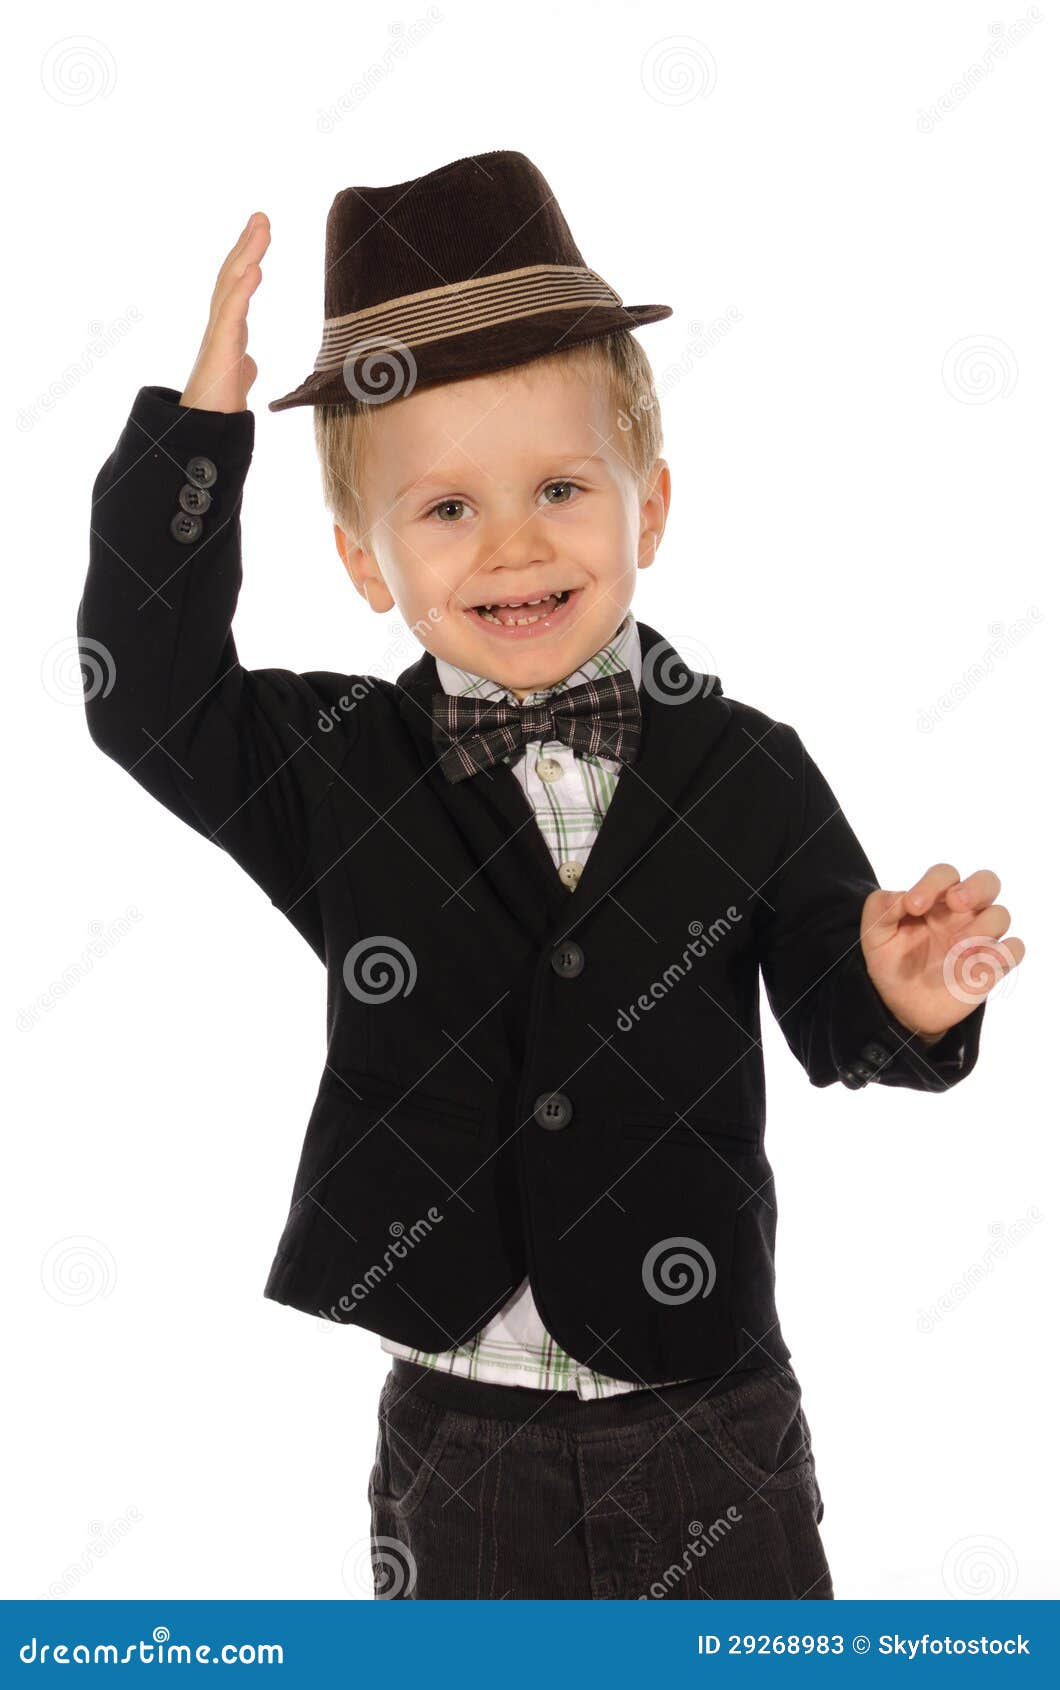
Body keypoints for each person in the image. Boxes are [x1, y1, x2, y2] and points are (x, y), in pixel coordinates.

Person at [77, 150, 1023, 1599]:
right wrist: (200, 434)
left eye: (562, 487)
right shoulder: (335, 766)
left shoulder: (747, 765)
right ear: (363, 559)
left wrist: (903, 989)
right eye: (446, 508)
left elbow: (835, 998)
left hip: (713, 1422)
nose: (514, 541)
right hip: (464, 1442)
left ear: (647, 508)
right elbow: (147, 690)